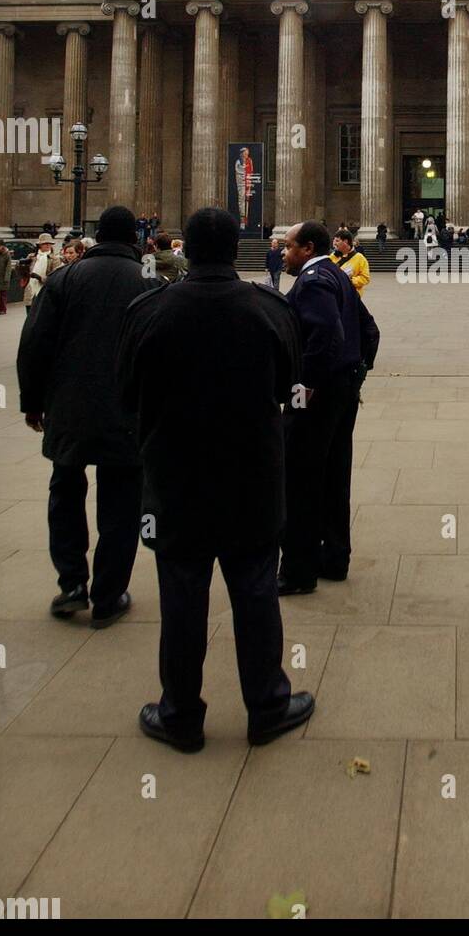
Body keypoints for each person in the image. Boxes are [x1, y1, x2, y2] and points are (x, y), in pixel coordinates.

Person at [118, 207, 312, 751]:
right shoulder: (269, 309)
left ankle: (180, 714)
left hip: (174, 481)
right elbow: (291, 387)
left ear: (188, 251)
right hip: (251, 477)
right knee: (255, 591)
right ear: (236, 251)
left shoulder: (148, 312)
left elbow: (126, 395)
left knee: (181, 598)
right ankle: (268, 706)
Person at [17, 206, 157, 626]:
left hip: (70, 408)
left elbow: (34, 345)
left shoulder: (64, 279)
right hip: (129, 412)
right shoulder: (150, 283)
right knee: (122, 504)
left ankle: (71, 585)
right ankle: (109, 595)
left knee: (65, 491)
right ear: (134, 237)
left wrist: (31, 402)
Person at [278, 222, 380, 594]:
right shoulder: (337, 275)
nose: (283, 252)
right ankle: (335, 558)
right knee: (334, 475)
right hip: (341, 392)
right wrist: (355, 378)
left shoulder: (315, 281)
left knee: (300, 481)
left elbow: (326, 335)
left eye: (288, 247)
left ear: (306, 248)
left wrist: (302, 389)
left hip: (317, 397)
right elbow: (370, 332)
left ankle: (299, 572)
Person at [24, 234, 60, 312]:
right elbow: (23, 273)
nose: (47, 245)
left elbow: (55, 276)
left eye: (49, 243)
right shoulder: (32, 257)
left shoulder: (55, 259)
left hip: (45, 291)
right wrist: (22, 265)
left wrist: (39, 277)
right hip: (31, 290)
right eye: (44, 243)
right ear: (39, 245)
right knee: (29, 316)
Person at [331, 228, 371, 298]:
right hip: (334, 296)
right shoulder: (332, 256)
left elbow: (365, 278)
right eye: (334, 240)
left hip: (351, 297)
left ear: (345, 241)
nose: (334, 244)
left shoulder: (360, 258)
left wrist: (349, 281)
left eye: (337, 241)